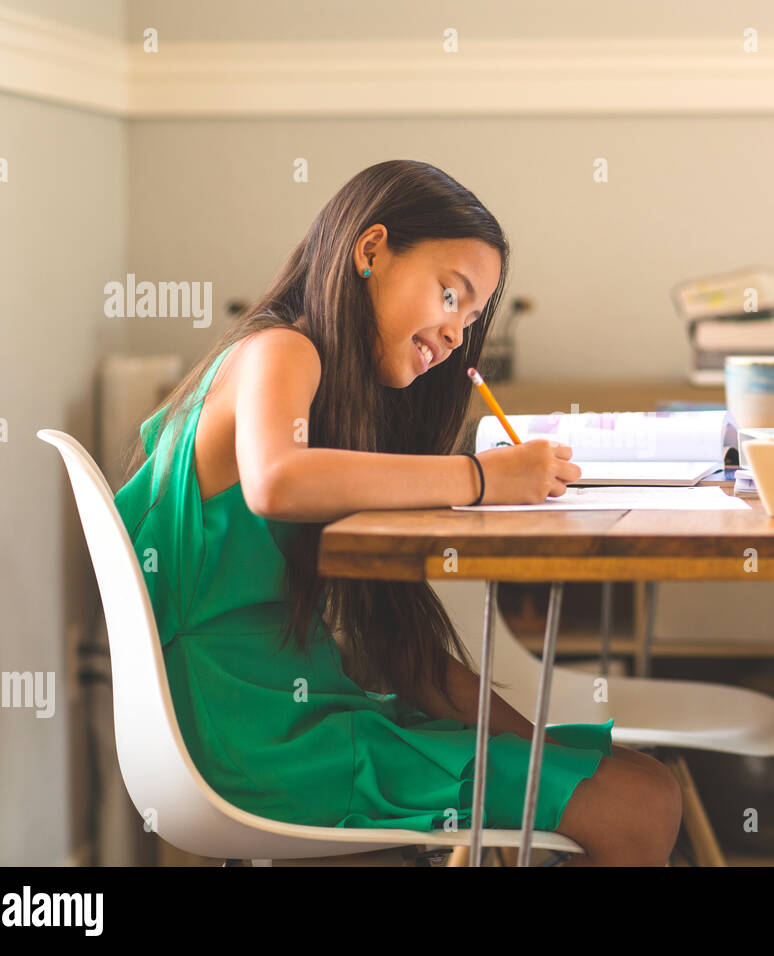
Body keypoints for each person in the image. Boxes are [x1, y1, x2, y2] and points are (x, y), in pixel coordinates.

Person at [113, 160, 681, 866]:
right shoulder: (279, 350)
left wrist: (535, 742)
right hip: (264, 747)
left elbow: (406, 657)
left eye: (471, 321)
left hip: (286, 727)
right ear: (371, 250)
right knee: (640, 800)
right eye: (450, 295)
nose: (454, 334)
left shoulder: (328, 407)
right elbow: (276, 481)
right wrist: (480, 478)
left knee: (642, 784)